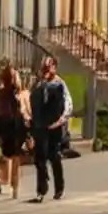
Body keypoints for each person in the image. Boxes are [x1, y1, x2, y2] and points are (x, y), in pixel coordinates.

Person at [28, 58, 68, 202]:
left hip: (54, 126)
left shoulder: (59, 85)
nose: (45, 72)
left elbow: (67, 105)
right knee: (40, 159)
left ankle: (59, 188)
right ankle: (41, 190)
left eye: (48, 68)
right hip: (40, 127)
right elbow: (33, 105)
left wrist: (61, 121)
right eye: (44, 69)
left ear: (54, 69)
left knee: (54, 157)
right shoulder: (37, 86)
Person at [0, 61, 29, 199]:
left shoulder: (2, 93)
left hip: (5, 124)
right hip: (13, 125)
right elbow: (22, 110)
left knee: (4, 156)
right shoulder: (15, 93)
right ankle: (12, 186)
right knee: (14, 157)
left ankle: (3, 181)